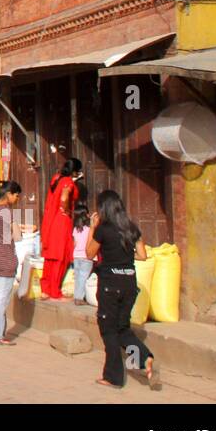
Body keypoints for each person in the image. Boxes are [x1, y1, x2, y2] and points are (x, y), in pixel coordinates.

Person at [87, 189, 158, 389]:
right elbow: (143, 255)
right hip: (129, 283)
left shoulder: (104, 229)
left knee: (108, 330)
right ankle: (144, 359)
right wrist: (125, 258)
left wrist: (93, 228)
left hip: (110, 284)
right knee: (122, 327)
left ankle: (113, 377)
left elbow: (88, 253)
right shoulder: (131, 228)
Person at [0, 180, 24, 345]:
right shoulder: (7, 212)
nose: (17, 198)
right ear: (8, 195)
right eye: (16, 195)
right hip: (5, 260)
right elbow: (18, 237)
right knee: (1, 299)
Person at [40, 157, 81, 299]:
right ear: (75, 171)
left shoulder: (56, 179)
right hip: (62, 221)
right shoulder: (68, 182)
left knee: (49, 257)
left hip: (51, 221)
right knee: (60, 257)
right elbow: (64, 198)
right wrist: (66, 210)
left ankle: (45, 289)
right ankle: (54, 291)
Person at [71, 190, 94, 307]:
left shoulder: (76, 229)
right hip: (86, 257)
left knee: (78, 277)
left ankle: (77, 296)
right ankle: (79, 298)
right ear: (86, 215)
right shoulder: (89, 229)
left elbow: (74, 243)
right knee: (84, 278)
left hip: (76, 256)